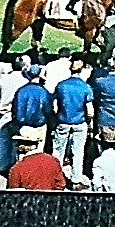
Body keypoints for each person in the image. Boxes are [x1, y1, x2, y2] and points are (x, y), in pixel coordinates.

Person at [50, 56, 94, 188]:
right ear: (82, 70)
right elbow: (90, 110)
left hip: (63, 120)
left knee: (58, 150)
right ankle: (75, 179)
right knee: (78, 151)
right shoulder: (85, 87)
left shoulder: (61, 85)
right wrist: (89, 121)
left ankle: (54, 177)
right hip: (79, 122)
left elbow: (55, 105)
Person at [6, 126, 65, 191]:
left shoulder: (17, 168)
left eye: (18, 142)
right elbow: (61, 185)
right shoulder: (53, 161)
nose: (16, 145)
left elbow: (13, 194)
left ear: (25, 145)